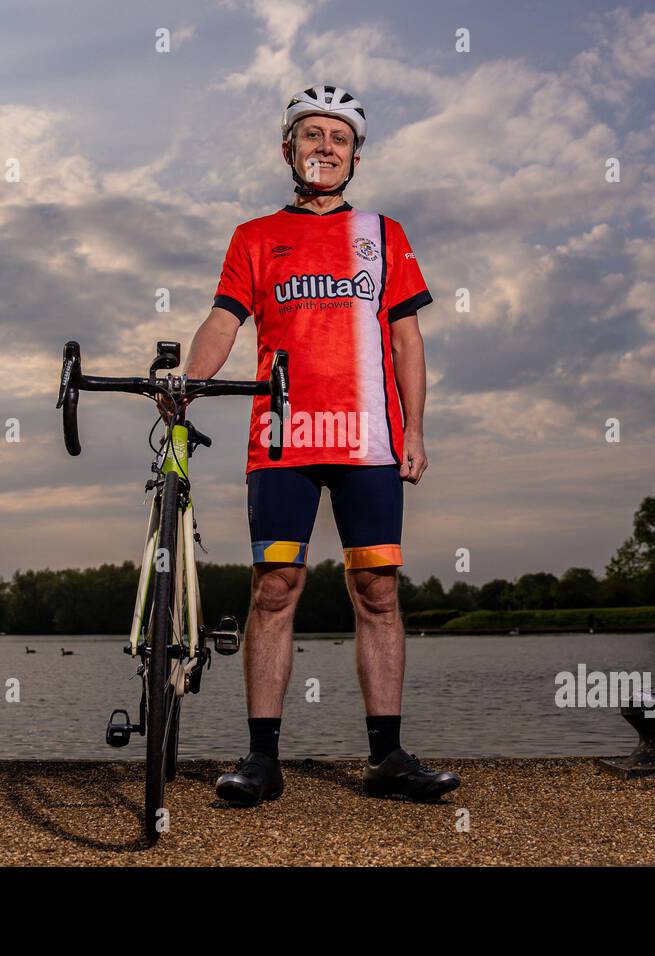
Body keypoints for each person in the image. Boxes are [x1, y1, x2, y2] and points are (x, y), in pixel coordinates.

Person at [174, 84, 459, 806]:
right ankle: (262, 760)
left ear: (355, 154)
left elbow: (405, 338)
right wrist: (188, 379)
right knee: (274, 589)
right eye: (311, 135)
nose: (324, 147)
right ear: (288, 150)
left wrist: (416, 430)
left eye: (338, 137)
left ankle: (388, 757)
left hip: (369, 438)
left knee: (378, 590)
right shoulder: (254, 236)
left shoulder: (384, 234)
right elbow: (222, 321)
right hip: (283, 437)